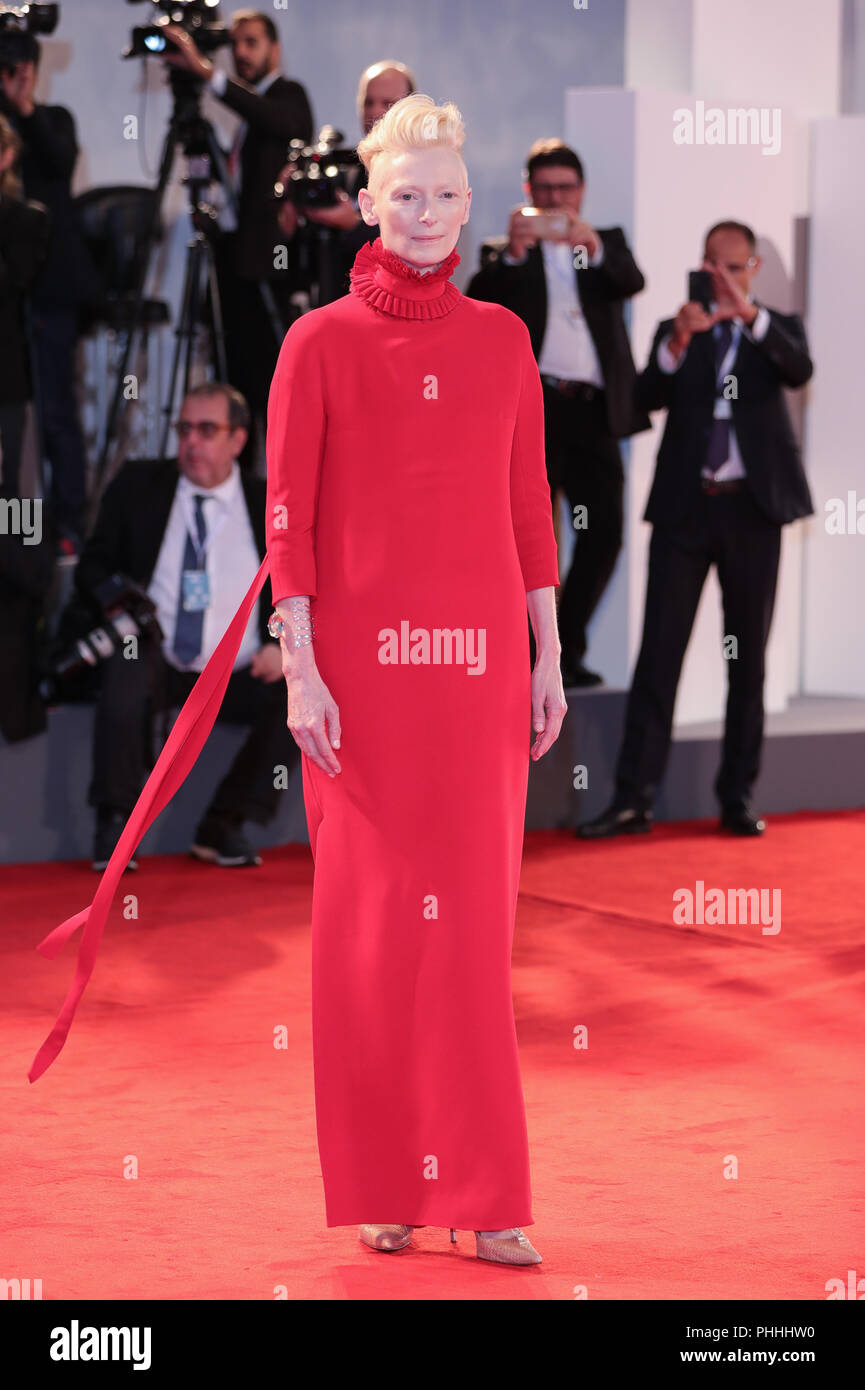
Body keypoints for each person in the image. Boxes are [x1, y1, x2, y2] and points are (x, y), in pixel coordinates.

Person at [29, 95, 568, 1270]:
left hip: (479, 672)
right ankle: (390, 1184)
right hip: (362, 684)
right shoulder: (316, 344)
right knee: (372, 937)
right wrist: (307, 672)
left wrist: (548, 652)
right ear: (371, 205)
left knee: (473, 939)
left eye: (444, 195)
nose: (425, 215)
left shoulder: (500, 343)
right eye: (404, 196)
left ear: (469, 207)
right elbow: (292, 523)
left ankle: (485, 1193)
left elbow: (527, 507)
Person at [578, 220, 813, 840]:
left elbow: (798, 369)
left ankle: (736, 797)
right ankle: (633, 798)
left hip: (752, 514)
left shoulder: (777, 329)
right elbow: (643, 399)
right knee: (659, 655)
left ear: (753, 269)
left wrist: (751, 317)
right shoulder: (679, 330)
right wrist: (677, 342)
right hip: (686, 512)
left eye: (734, 268)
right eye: (712, 266)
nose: (722, 279)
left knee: (748, 660)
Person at [75, 383, 297, 870]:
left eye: (206, 430)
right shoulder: (138, 486)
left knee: (299, 694)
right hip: (155, 652)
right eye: (183, 430)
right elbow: (92, 567)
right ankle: (115, 824)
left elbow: (304, 585)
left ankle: (223, 826)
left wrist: (281, 643)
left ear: (238, 439)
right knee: (125, 672)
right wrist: (121, 604)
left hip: (236, 669)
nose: (191, 442)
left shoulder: (270, 504)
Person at [466, 139, 649, 687]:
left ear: (582, 191)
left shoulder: (605, 245)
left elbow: (630, 281)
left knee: (606, 532)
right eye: (544, 190)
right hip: (533, 413)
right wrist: (517, 256)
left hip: (593, 412)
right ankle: (525, 655)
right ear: (528, 192)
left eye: (564, 189)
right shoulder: (504, 253)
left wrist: (590, 245)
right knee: (526, 537)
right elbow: (480, 308)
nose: (555, 201)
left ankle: (565, 649)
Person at [162, 9, 313, 469]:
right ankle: (240, 493)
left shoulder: (288, 96)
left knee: (274, 398)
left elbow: (275, 120)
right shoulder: (243, 120)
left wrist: (209, 74)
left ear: (275, 49)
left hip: (270, 272)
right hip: (236, 272)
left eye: (252, 43)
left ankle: (275, 506)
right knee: (238, 391)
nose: (242, 53)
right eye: (237, 45)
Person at [0, 33, 100, 556]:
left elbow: (60, 164)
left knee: (57, 411)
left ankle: (67, 530)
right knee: (10, 414)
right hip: (6, 298)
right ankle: (13, 529)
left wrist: (22, 107)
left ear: (33, 70)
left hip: (50, 292)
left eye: (16, 67)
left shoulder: (51, 119)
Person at [275, 59, 416, 303]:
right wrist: (286, 226)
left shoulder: (425, 172)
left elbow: (417, 246)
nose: (374, 112)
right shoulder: (342, 172)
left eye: (387, 103)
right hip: (335, 307)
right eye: (368, 103)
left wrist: (353, 226)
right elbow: (283, 261)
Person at [0, 112, 49, 504]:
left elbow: (15, 278)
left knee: (12, 487)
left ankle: (17, 557)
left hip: (8, 371)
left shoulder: (25, 218)